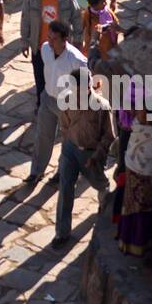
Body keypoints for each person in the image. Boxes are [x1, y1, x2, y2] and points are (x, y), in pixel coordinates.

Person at [51, 68, 112, 248]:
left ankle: (105, 208)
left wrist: (97, 155)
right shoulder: (67, 100)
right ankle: (62, 233)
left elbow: (109, 136)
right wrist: (66, 146)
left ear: (87, 86)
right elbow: (64, 125)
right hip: (70, 149)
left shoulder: (102, 106)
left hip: (91, 153)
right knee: (65, 188)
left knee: (101, 186)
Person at [27, 18, 87, 186]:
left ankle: (62, 173)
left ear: (65, 39)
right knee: (42, 137)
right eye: (49, 37)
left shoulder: (77, 60)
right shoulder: (45, 49)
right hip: (48, 98)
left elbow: (85, 85)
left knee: (67, 142)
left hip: (67, 105)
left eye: (54, 39)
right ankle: (36, 172)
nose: (49, 41)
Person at [116, 104, 152, 264]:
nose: (137, 113)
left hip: (151, 188)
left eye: (142, 110)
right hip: (133, 183)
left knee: (151, 220)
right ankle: (137, 247)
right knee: (134, 217)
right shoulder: (138, 127)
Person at [19, 0, 82, 114]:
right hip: (39, 47)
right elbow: (25, 20)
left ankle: (65, 105)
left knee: (63, 78)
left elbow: (77, 19)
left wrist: (78, 40)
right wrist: (24, 41)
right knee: (40, 77)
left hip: (61, 48)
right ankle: (41, 104)